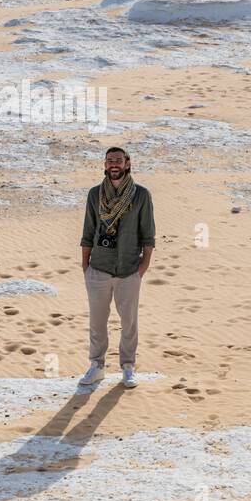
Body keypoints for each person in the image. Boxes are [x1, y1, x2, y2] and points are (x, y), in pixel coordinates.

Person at [78, 146, 154, 390]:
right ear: (105, 164)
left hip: (129, 269)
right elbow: (88, 232)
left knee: (129, 322)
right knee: (97, 322)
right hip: (99, 268)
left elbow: (148, 235)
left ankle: (128, 367)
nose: (114, 164)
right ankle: (97, 366)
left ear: (127, 164)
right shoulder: (95, 194)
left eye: (118, 160)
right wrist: (85, 266)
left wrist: (143, 267)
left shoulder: (141, 195)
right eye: (110, 160)